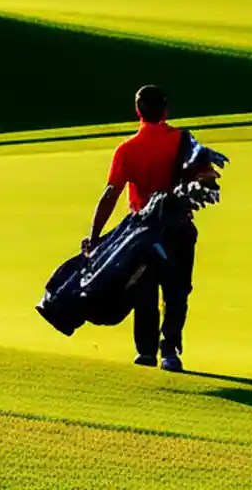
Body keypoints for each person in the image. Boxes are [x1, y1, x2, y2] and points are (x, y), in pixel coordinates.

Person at [81, 85, 198, 373]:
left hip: (142, 231)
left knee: (144, 289)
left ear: (138, 112)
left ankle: (146, 351)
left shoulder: (128, 149)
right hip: (178, 227)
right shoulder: (183, 141)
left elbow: (111, 193)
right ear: (166, 110)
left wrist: (94, 236)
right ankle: (169, 350)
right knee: (177, 290)